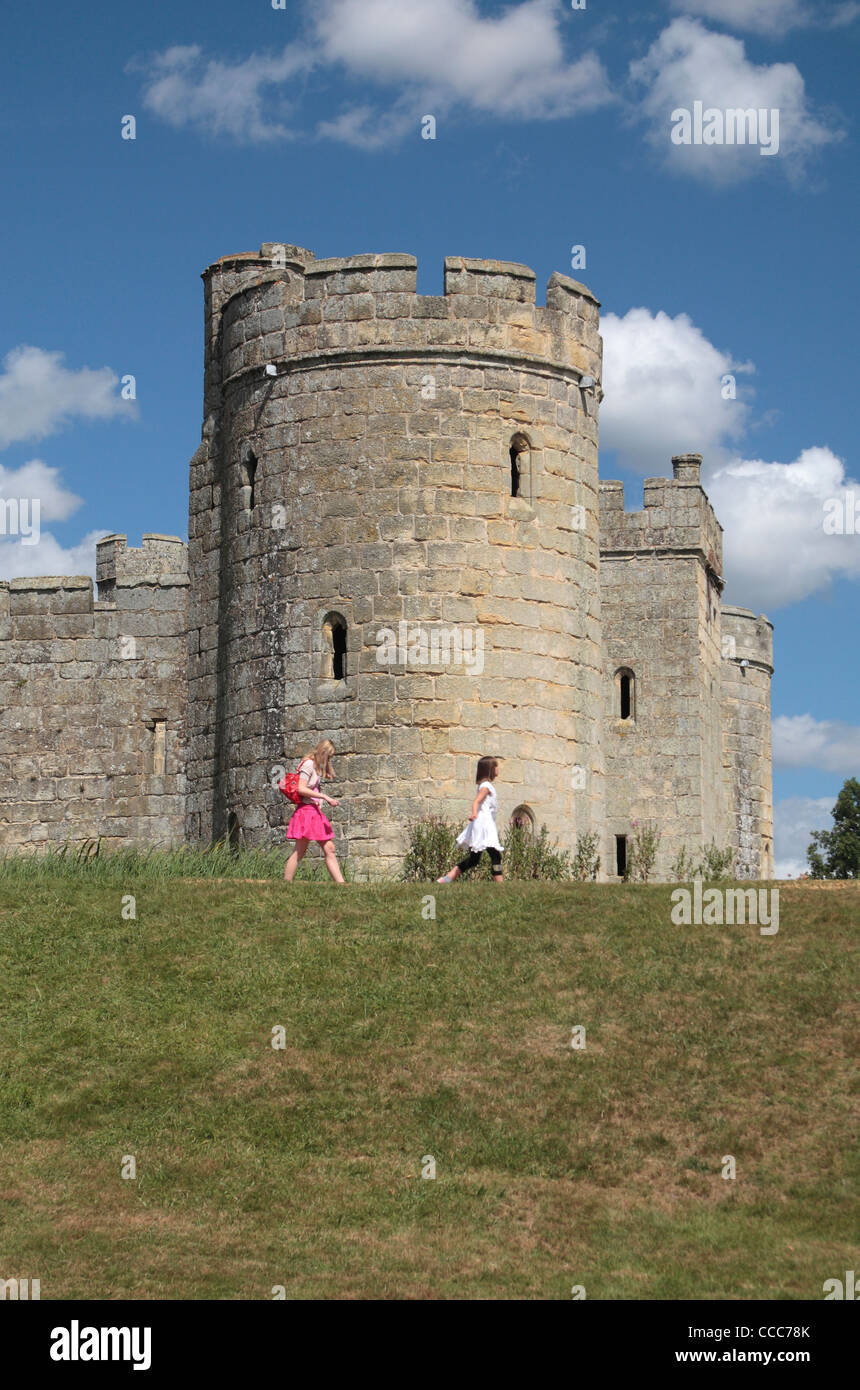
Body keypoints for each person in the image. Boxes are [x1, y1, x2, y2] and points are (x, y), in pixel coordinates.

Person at [284, 739, 345, 883]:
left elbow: (330, 774)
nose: (329, 759)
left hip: (312, 811)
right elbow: (301, 788)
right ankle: (287, 882)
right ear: (323, 752)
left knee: (326, 848)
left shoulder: (315, 765)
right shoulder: (308, 764)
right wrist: (324, 796)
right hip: (307, 812)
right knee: (303, 850)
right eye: (328, 755)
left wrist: (327, 765)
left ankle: (341, 884)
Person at [437, 756, 504, 884]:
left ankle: (445, 879)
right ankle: (500, 885)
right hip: (484, 824)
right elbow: (477, 801)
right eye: (496, 766)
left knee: (474, 860)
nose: (498, 769)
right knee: (495, 855)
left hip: (483, 823)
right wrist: (474, 813)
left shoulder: (485, 785)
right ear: (490, 769)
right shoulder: (486, 786)